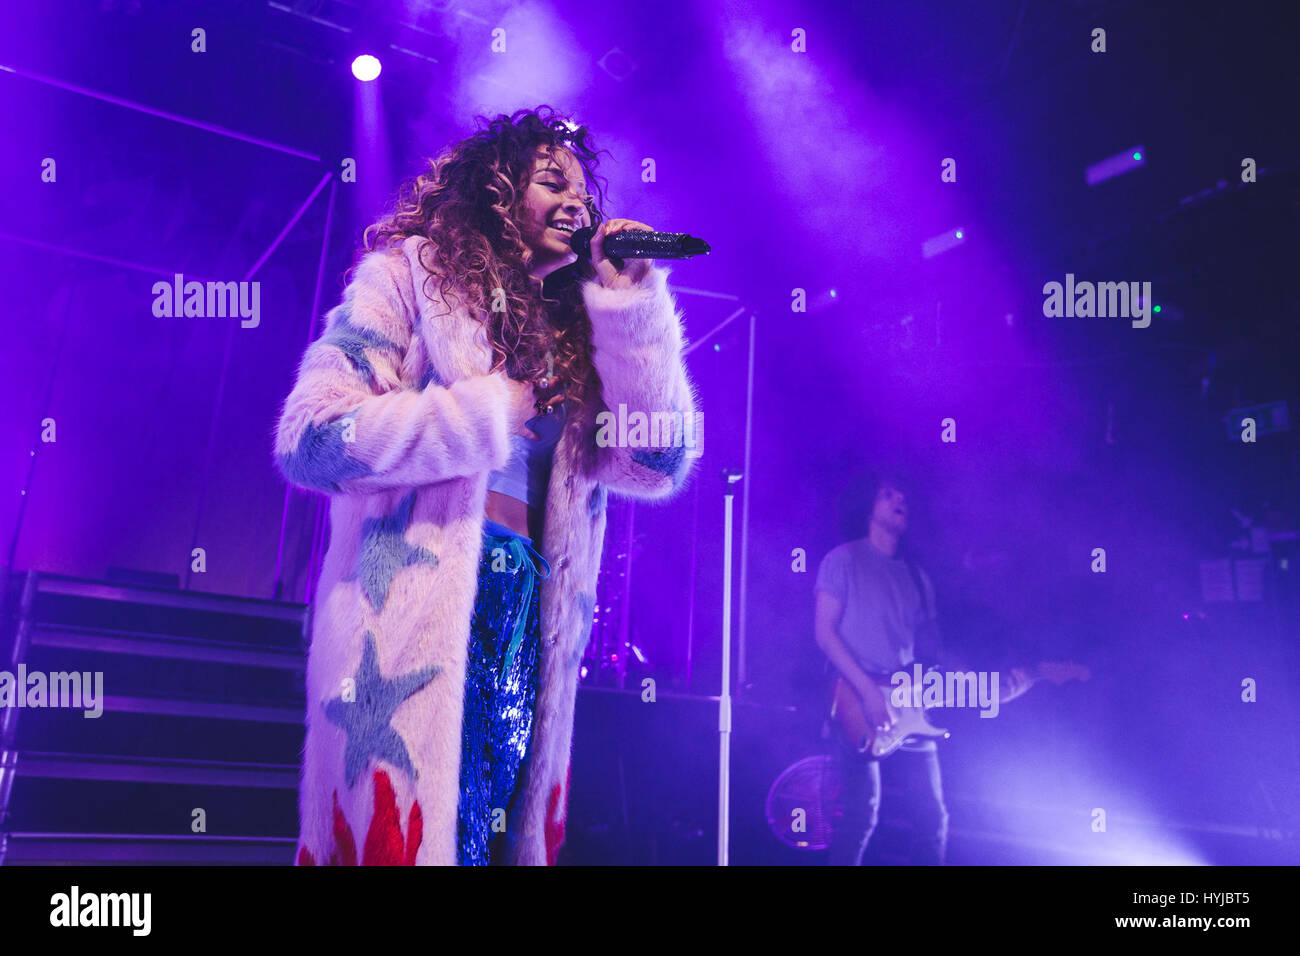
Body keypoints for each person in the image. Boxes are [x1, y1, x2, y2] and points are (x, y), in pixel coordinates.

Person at [274, 106, 699, 865]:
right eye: (550, 181)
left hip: (527, 618)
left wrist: (632, 309)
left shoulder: (576, 331)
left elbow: (654, 461)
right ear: (496, 191)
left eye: (583, 191)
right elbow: (310, 439)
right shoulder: (408, 277)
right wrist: (486, 413)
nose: (578, 202)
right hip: (410, 626)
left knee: (486, 839)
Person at [813, 472, 951, 865]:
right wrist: (870, 692)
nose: (899, 499)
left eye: (903, 494)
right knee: (860, 815)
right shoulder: (843, 559)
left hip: (908, 703)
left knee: (932, 819)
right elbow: (824, 633)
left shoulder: (918, 578)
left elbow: (931, 649)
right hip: (856, 696)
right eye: (888, 494)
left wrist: (957, 678)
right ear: (870, 508)